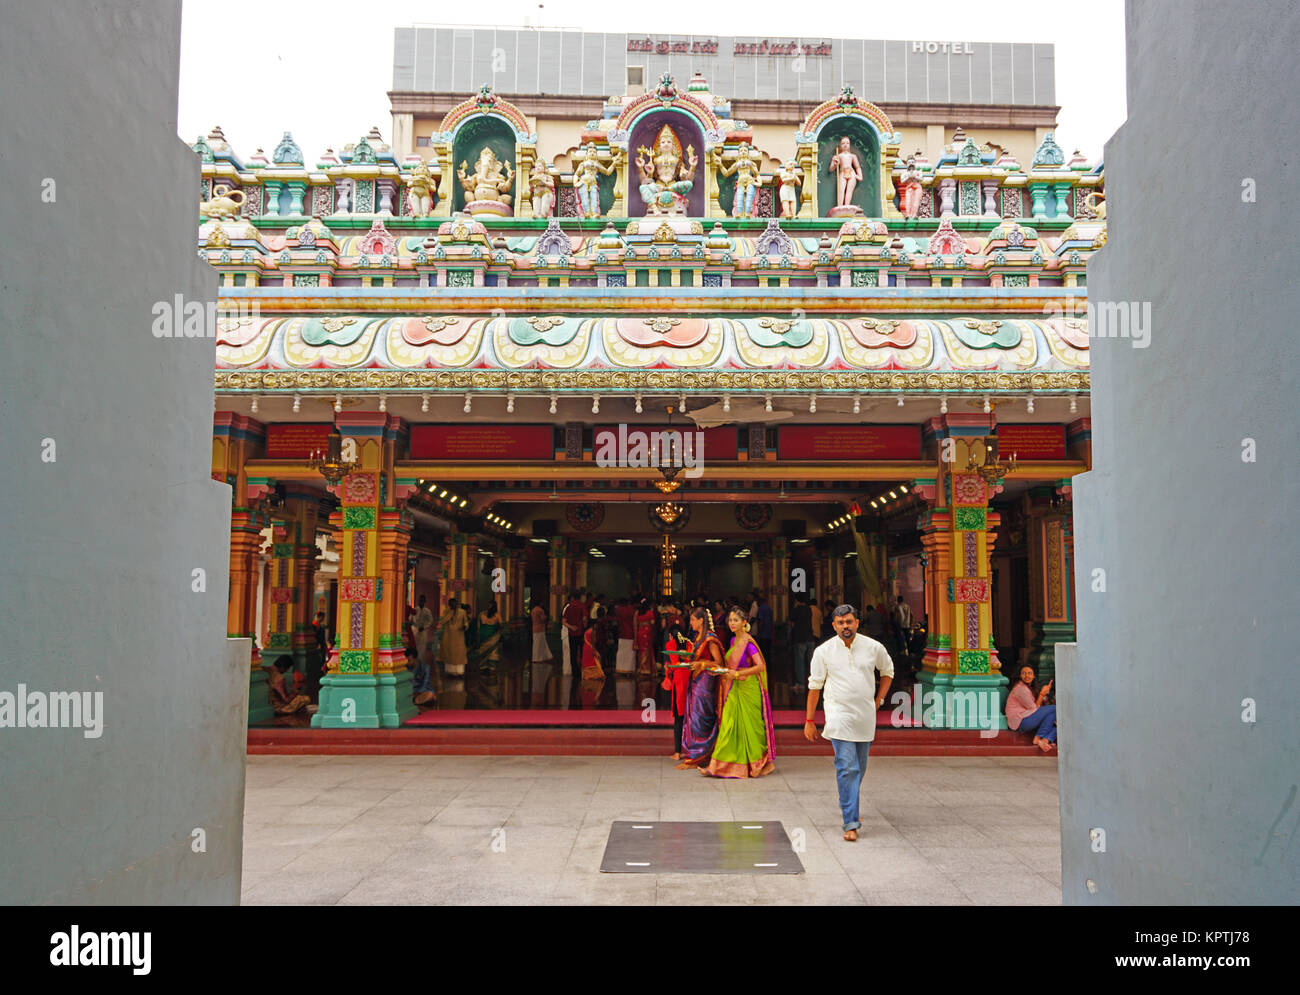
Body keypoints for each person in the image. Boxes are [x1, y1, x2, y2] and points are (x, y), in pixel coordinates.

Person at [804, 605, 894, 841]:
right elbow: (815, 686)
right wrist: (809, 720)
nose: (845, 626)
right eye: (841, 623)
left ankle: (848, 800)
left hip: (865, 715)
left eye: (849, 622)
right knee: (847, 766)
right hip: (838, 714)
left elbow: (888, 671)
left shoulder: (873, 647)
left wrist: (879, 699)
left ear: (857, 622)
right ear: (833, 625)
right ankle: (850, 822)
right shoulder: (824, 651)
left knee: (859, 767)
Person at [703, 607, 776, 778]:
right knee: (729, 726)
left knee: (751, 728)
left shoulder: (748, 643)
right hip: (734, 687)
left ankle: (758, 763)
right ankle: (718, 766)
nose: (732, 623)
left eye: (736, 620)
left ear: (745, 623)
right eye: (730, 620)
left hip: (748, 689)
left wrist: (738, 674)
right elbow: (731, 667)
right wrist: (719, 670)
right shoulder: (733, 641)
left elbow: (760, 666)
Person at [677, 607, 724, 769]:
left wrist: (701, 664)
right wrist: (687, 657)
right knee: (693, 716)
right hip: (696, 680)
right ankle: (694, 754)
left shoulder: (710, 639)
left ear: (701, 620)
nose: (690, 623)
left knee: (700, 717)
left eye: (692, 620)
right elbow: (697, 657)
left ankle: (699, 755)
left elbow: (718, 662)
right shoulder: (698, 638)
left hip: (705, 682)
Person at [1006, 666, 1057, 753]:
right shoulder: (1020, 689)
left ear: (1034, 676)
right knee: (1055, 709)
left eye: (1030, 673)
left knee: (1056, 723)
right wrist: (1042, 694)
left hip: (1027, 718)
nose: (1027, 676)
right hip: (1019, 721)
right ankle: (1038, 738)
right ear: (1020, 676)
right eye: (1024, 673)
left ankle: (1045, 741)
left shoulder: (1029, 688)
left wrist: (1043, 696)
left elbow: (1036, 707)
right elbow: (1034, 708)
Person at [663, 617, 691, 759]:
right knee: (690, 714)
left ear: (670, 635)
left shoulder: (670, 644)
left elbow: (674, 663)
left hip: (679, 680)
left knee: (679, 717)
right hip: (690, 679)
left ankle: (677, 752)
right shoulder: (689, 644)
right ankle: (692, 750)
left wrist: (667, 669)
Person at [469, 601, 503, 708]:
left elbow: (479, 626)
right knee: (493, 652)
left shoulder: (482, 614)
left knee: (483, 651)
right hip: (492, 636)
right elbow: (501, 625)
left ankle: (483, 667)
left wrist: (480, 633)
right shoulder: (496, 615)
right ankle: (491, 668)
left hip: (484, 636)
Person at [562, 590, 587, 707]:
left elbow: (564, 621)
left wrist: (571, 627)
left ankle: (575, 672)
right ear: (580, 597)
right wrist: (584, 627)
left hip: (572, 633)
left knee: (572, 652)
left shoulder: (569, 607)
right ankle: (582, 670)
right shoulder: (582, 606)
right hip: (581, 632)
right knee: (581, 652)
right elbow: (585, 619)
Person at [530, 599, 553, 707]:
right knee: (540, 644)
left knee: (537, 645)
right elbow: (543, 619)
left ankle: (537, 657)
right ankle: (539, 658)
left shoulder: (533, 610)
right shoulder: (539, 610)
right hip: (540, 628)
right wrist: (546, 617)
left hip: (534, 628)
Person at [790, 594, 815, 694]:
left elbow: (792, 622)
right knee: (811, 662)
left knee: (799, 662)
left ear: (796, 600)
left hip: (800, 638)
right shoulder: (809, 609)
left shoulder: (796, 610)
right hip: (810, 637)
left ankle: (800, 684)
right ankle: (815, 682)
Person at [412, 595, 434, 666]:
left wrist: (424, 627)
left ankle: (420, 664)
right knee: (415, 647)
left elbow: (430, 621)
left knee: (422, 649)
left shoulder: (427, 611)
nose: (420, 602)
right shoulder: (415, 610)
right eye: (419, 600)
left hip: (423, 632)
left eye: (422, 601)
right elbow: (411, 619)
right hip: (415, 631)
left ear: (424, 602)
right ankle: (415, 663)